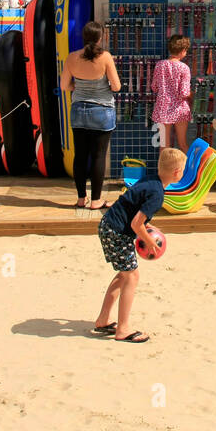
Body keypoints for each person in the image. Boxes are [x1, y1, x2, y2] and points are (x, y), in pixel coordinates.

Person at [91, 146, 186, 344]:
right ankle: (123, 329)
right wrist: (149, 241)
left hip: (108, 226)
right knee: (131, 277)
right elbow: (136, 224)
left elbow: (133, 209)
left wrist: (148, 227)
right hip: (117, 232)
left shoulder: (150, 180)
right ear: (177, 173)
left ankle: (102, 320)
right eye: (183, 170)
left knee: (123, 275)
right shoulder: (157, 194)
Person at [61, 21, 121, 210]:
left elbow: (64, 86)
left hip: (78, 110)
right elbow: (116, 86)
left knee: (80, 156)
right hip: (102, 111)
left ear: (84, 37)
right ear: (100, 37)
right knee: (98, 156)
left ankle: (81, 198)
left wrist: (77, 88)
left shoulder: (72, 57)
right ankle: (96, 200)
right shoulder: (105, 57)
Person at [151, 34, 193, 155]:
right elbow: (184, 92)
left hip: (163, 108)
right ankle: (191, 171)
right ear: (183, 51)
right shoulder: (184, 68)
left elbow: (154, 87)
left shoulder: (159, 65)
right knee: (183, 144)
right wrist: (192, 95)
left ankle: (164, 173)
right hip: (179, 108)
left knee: (164, 145)